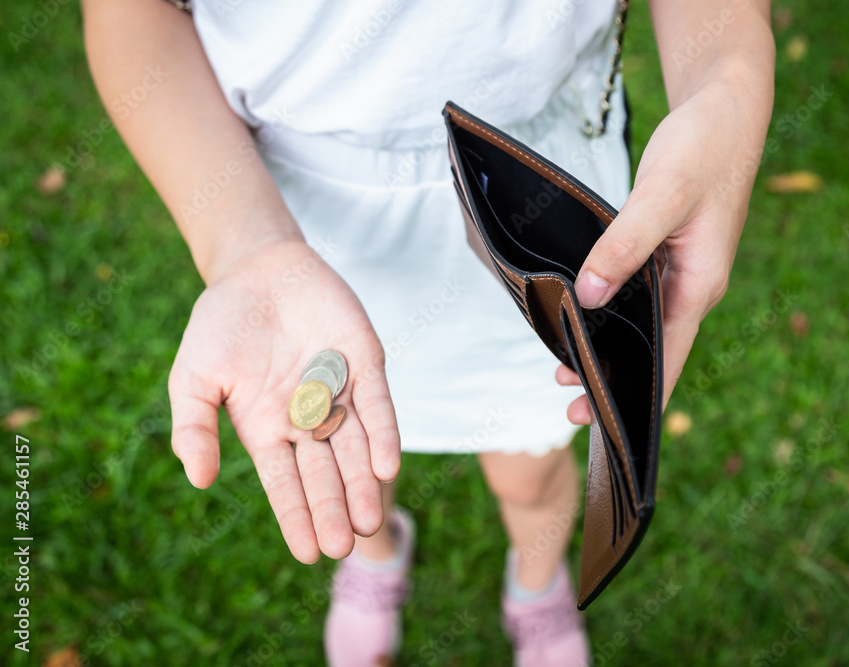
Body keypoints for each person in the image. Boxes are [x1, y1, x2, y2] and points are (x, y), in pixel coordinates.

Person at [81, 1, 774, 664]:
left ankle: (537, 584)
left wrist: (731, 85)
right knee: (355, 462)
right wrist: (244, 246)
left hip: (530, 203)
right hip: (298, 219)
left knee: (531, 464)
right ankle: (374, 558)